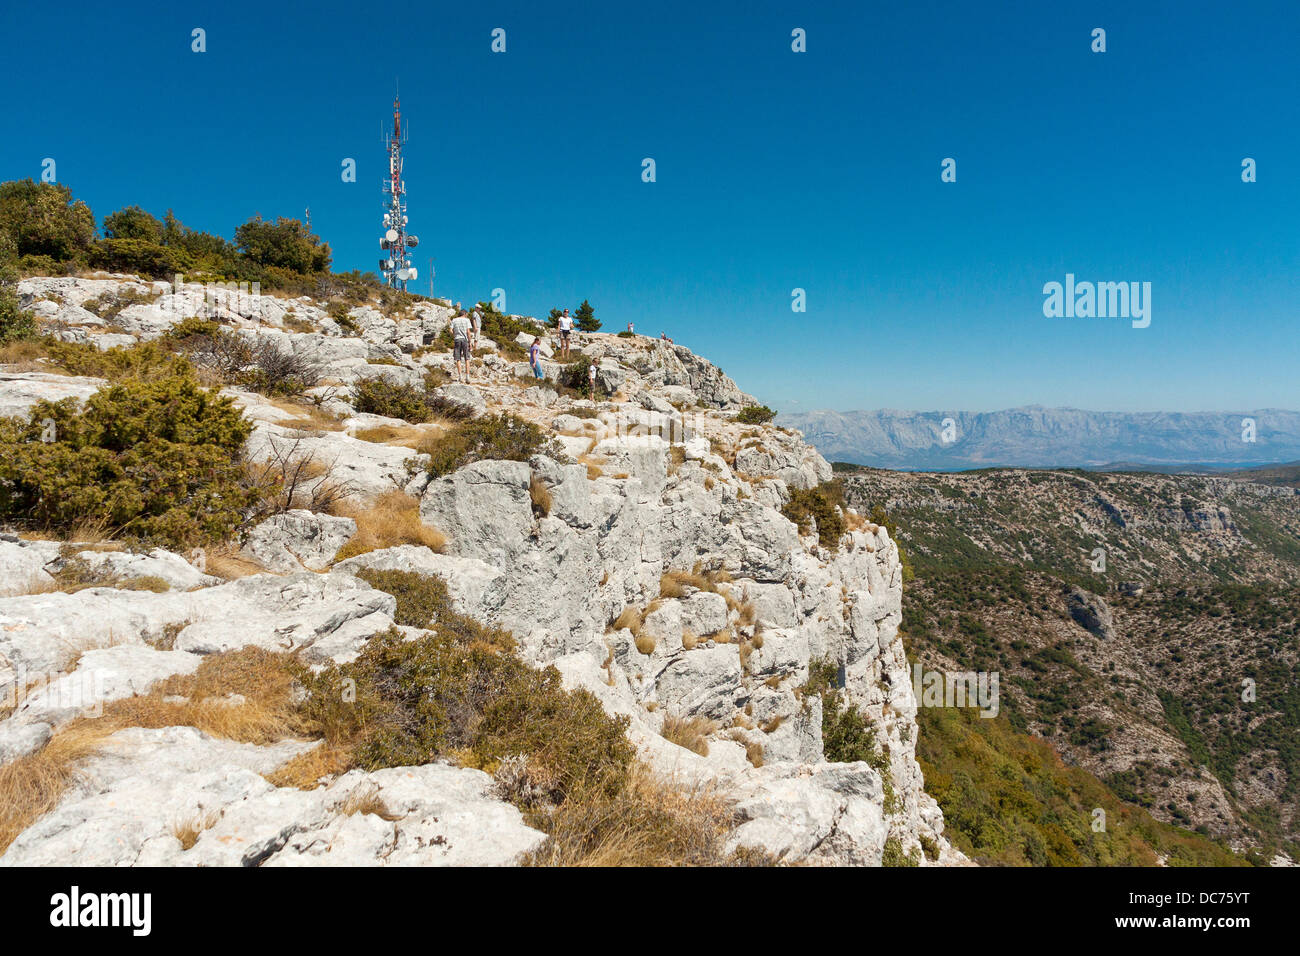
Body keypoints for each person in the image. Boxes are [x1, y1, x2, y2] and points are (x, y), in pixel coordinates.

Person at [450, 309, 472, 382]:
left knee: (458, 358)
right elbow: (468, 332)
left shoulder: (454, 320)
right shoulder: (467, 320)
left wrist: (454, 335)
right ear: (465, 314)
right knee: (467, 358)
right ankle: (467, 377)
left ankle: (460, 377)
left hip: (457, 339)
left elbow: (450, 330)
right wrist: (470, 342)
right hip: (465, 340)